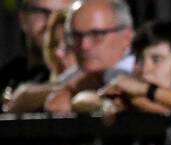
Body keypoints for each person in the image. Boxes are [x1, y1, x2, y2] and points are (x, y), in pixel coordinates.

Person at [4, 0, 133, 113]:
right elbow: (17, 102)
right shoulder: (83, 71)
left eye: (97, 34)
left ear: (126, 37)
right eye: (76, 36)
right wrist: (70, 88)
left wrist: (78, 97)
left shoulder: (135, 69)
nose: (84, 45)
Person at [1, 0, 69, 96]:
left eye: (61, 15)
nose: (51, 22)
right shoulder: (7, 75)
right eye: (43, 12)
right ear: (23, 19)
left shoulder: (85, 75)